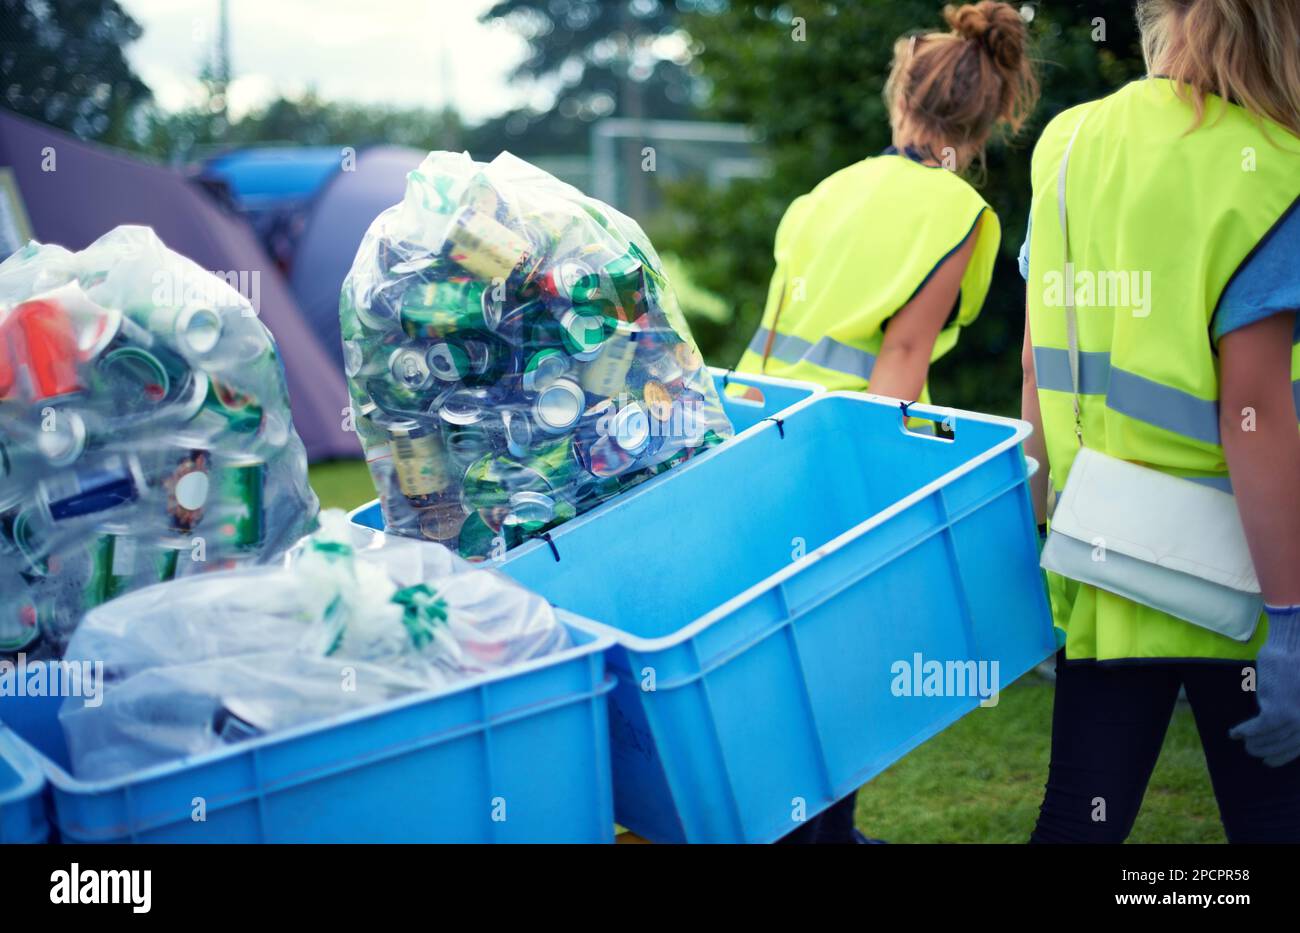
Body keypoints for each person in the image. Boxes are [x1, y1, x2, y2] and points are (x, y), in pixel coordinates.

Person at [740, 1, 1040, 844]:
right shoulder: (958, 213)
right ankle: (824, 835)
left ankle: (806, 828)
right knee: (843, 655)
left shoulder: (829, 190)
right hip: (838, 452)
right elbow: (903, 357)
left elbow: (774, 332)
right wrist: (880, 493)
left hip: (754, 437)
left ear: (902, 100)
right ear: (991, 118)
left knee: (776, 657)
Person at [1020, 0, 1300, 843]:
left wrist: (1032, 528)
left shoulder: (1067, 142)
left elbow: (1037, 360)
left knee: (1078, 817)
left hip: (1102, 551)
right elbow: (1254, 411)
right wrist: (1291, 616)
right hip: (1240, 575)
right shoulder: (1276, 167)